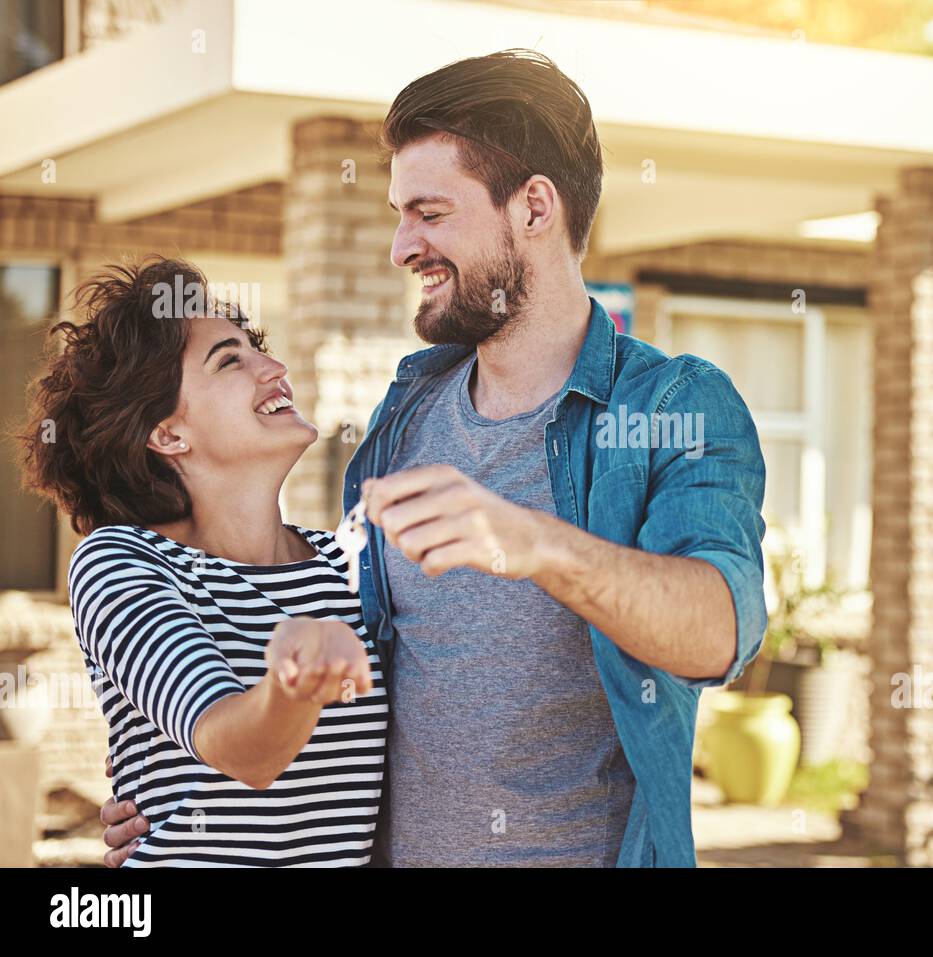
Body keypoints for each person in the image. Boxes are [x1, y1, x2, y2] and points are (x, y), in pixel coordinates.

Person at [101, 48, 767, 868]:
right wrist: (177, 797)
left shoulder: (673, 407)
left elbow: (721, 628)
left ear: (533, 207)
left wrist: (538, 544)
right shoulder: (407, 412)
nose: (400, 246)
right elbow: (332, 674)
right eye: (398, 213)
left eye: (429, 212)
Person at [19, 258, 389, 866]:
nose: (275, 369)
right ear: (166, 434)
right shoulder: (124, 564)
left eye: (256, 349)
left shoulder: (349, 564)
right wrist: (298, 686)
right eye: (229, 360)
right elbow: (239, 749)